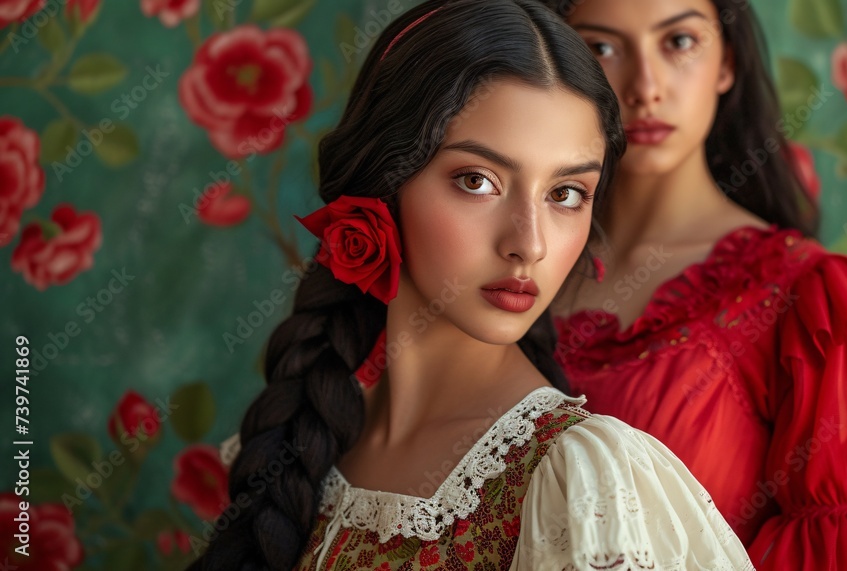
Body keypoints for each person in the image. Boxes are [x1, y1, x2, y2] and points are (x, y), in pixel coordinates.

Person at [187, 1, 754, 569]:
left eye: (566, 194)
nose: (528, 243)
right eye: (478, 181)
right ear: (384, 182)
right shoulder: (307, 431)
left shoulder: (583, 480)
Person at [543, 0, 847, 569]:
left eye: (679, 42)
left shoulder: (809, 299)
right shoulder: (510, 264)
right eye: (601, 47)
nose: (646, 87)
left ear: (727, 62)